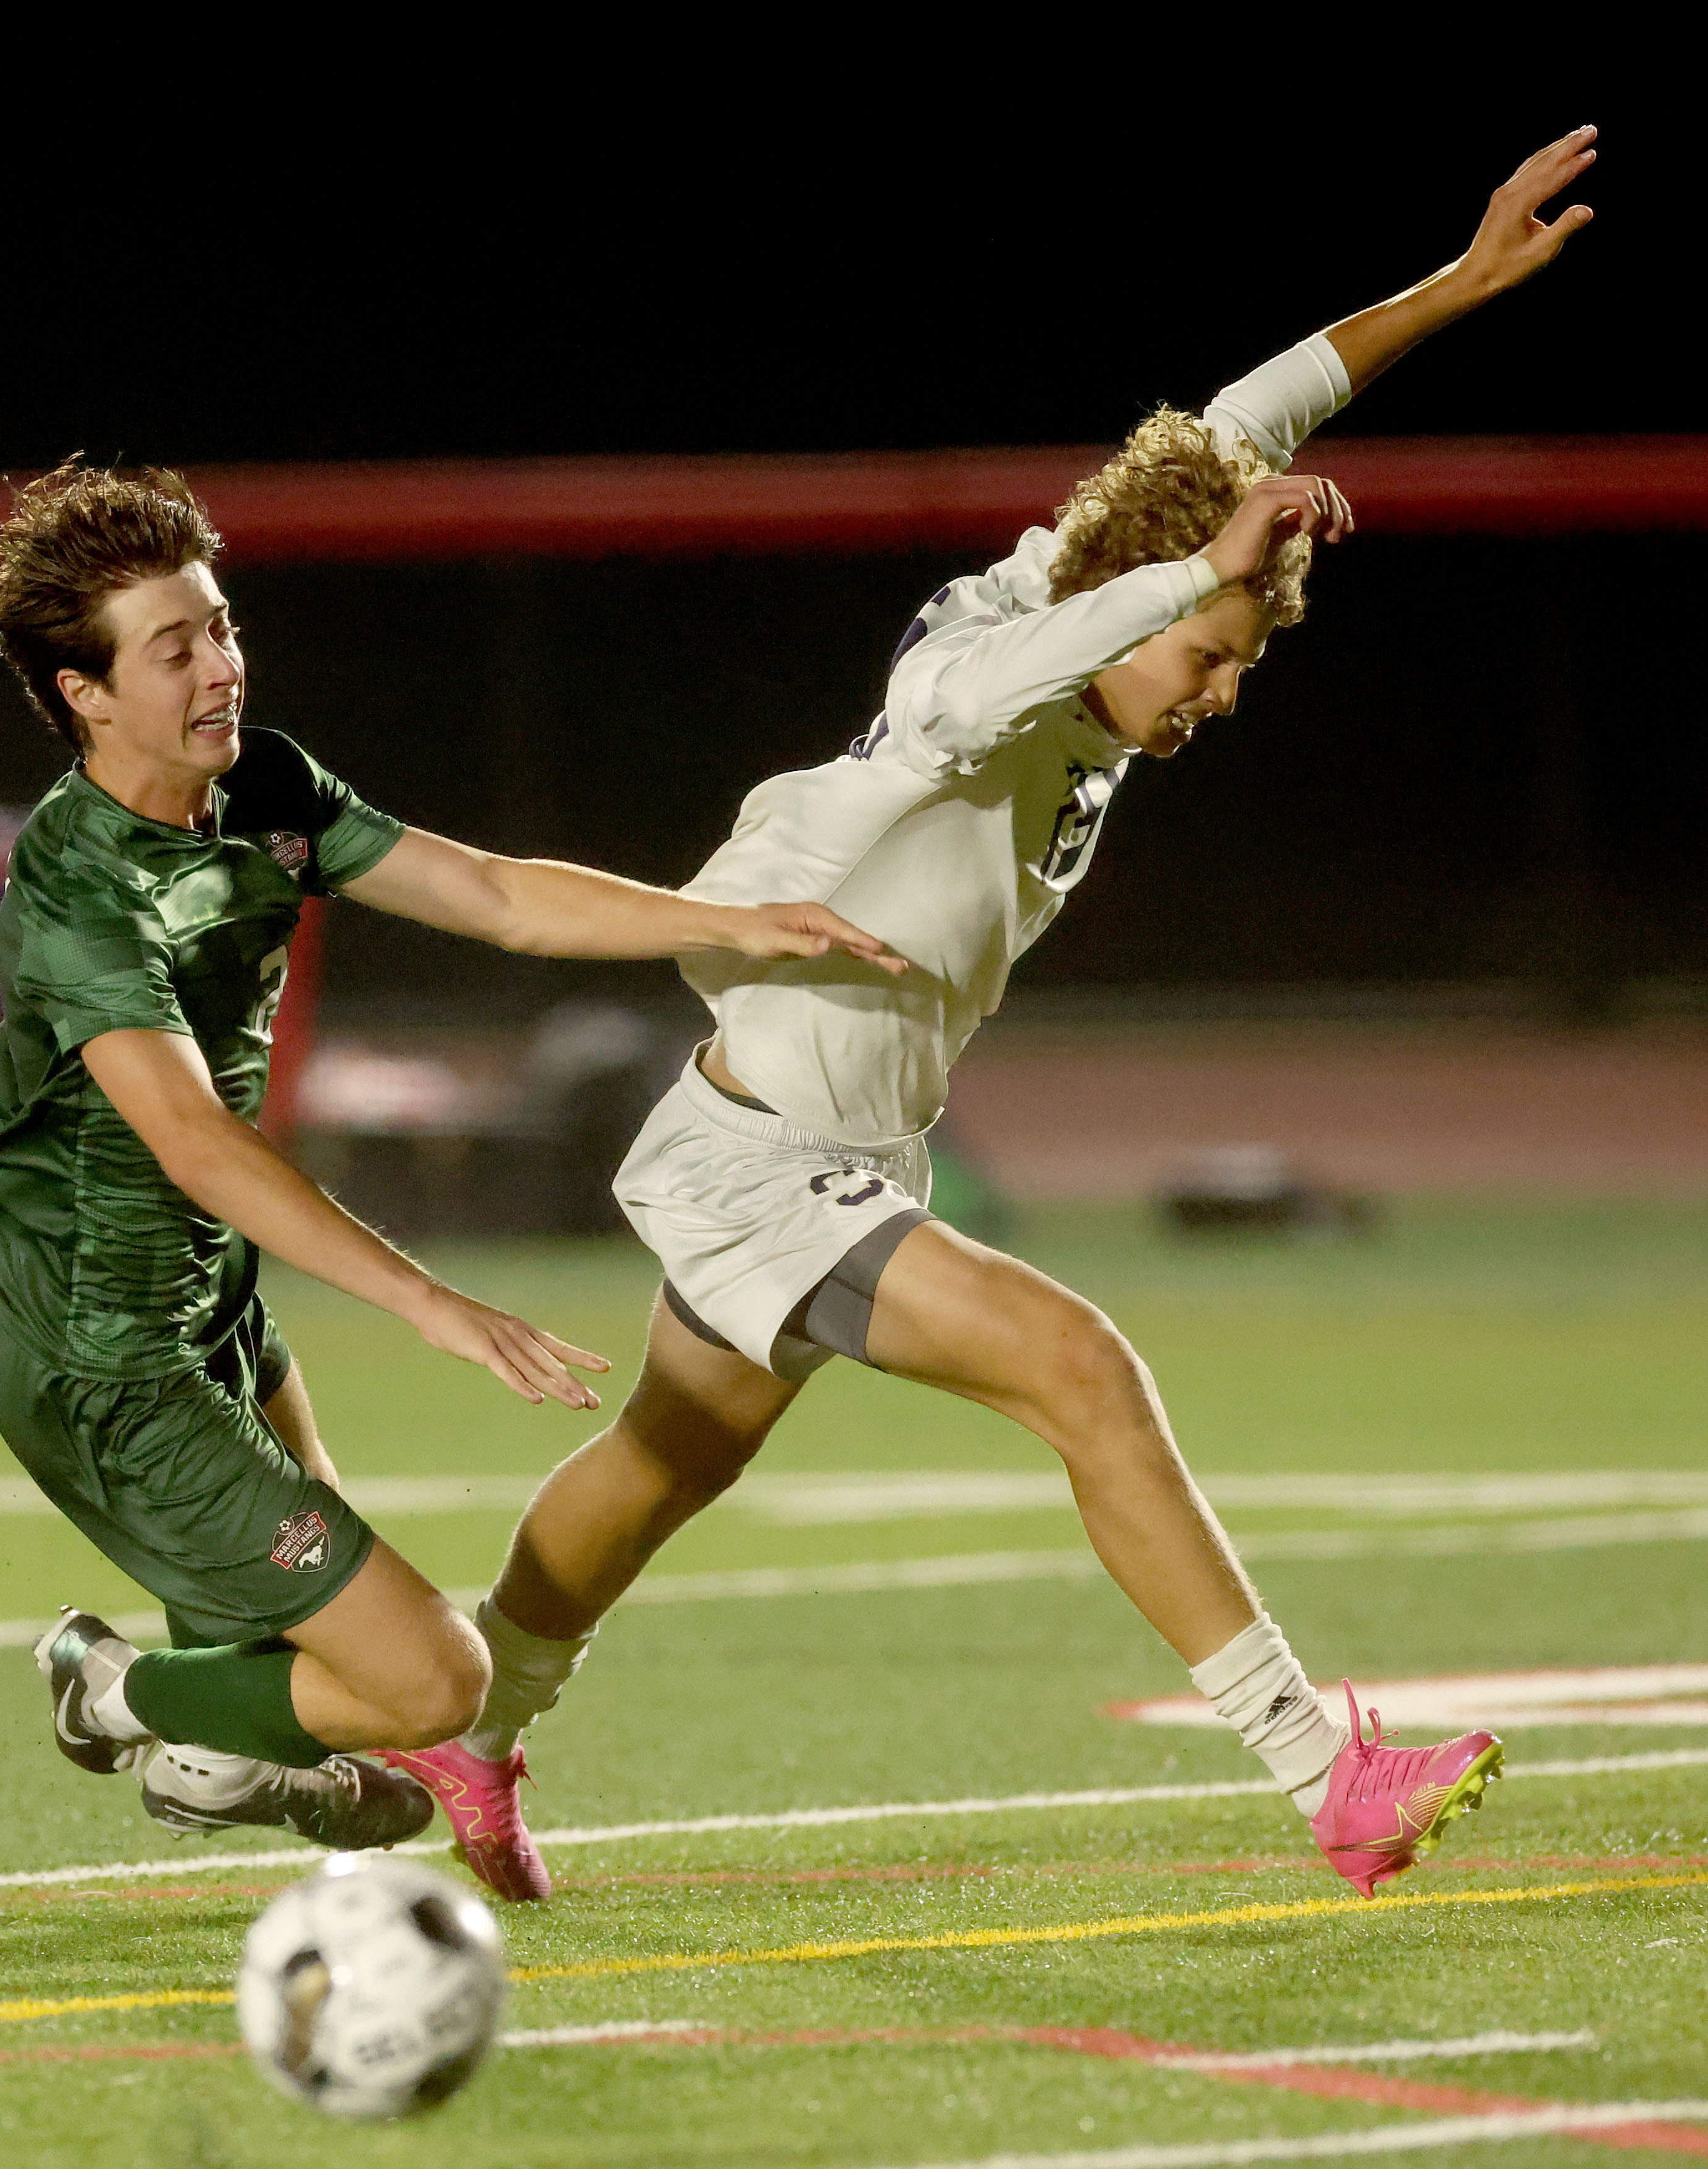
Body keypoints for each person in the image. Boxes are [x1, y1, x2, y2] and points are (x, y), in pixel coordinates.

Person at [390, 127, 1599, 1900]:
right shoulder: (992, 668)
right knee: (1083, 1371)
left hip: (802, 1135)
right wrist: (1202, 577)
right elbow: (1072, 626)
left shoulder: (1098, 600)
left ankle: (470, 1727)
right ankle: (1325, 1769)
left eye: (1242, 669)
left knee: (661, 1460)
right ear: (1142, 599)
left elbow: (1237, 422)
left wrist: (1453, 287)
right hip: (775, 1166)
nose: (1214, 694)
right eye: (1207, 659)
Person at [0, 463, 900, 1850]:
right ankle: (119, 1692)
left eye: (221, 626)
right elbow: (195, 1143)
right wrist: (434, 1302)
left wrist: (731, 924)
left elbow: (493, 894)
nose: (221, 666)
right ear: (84, 694)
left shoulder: (257, 782)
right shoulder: (78, 890)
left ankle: (216, 1752)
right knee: (437, 1676)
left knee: (335, 1691)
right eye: (174, 647)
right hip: (103, 1354)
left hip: (206, 1311)